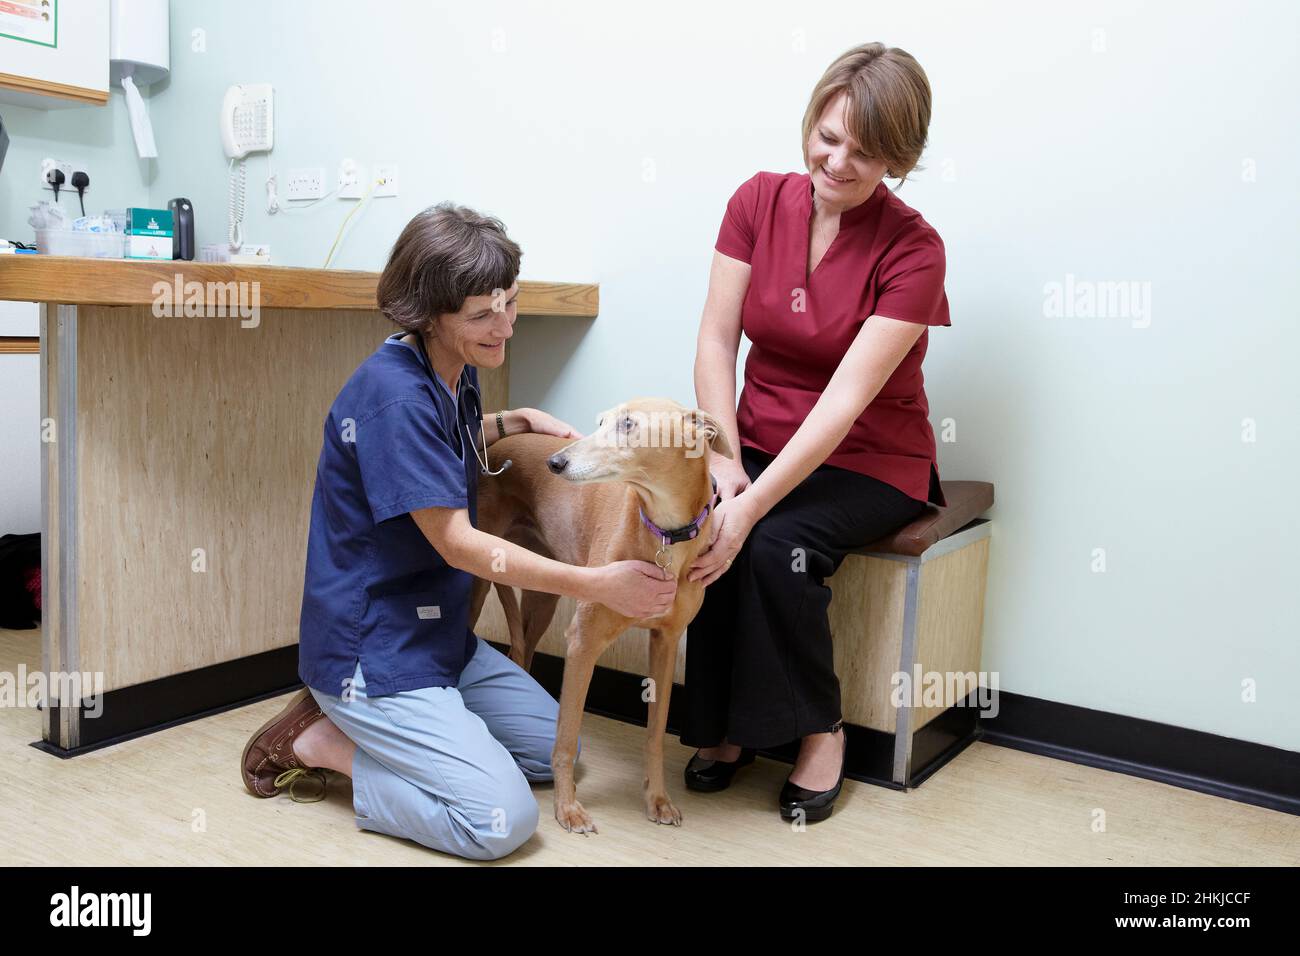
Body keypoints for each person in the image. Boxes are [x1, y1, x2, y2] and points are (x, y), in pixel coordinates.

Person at [240, 202, 677, 860]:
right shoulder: (392, 397)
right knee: (501, 819)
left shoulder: (450, 370)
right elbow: (459, 544)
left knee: (554, 751)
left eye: (510, 301)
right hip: (373, 648)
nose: (504, 325)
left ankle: (411, 731)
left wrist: (511, 420)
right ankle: (320, 741)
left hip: (434, 629)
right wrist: (595, 583)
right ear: (429, 316)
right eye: (481, 314)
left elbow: (443, 447)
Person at [680, 42, 952, 823]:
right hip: (756, 437)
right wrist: (726, 462)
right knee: (701, 520)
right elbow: (713, 340)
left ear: (899, 158)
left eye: (864, 153)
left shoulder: (915, 249)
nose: (836, 162)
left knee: (771, 544)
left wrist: (753, 503)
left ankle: (818, 729)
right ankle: (724, 730)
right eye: (827, 138)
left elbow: (843, 402)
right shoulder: (756, 201)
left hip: (869, 458)